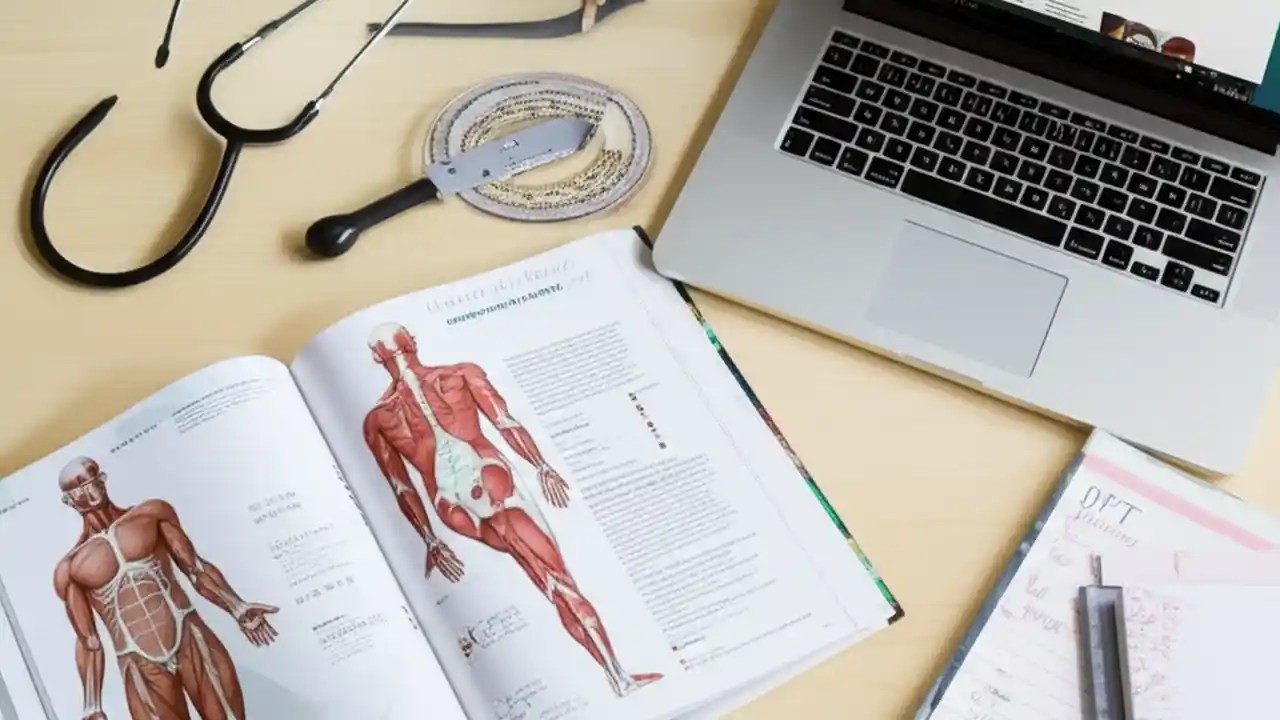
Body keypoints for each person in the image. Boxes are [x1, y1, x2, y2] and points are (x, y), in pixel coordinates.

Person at [361, 322, 662, 698]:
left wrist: (430, 540)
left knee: (541, 577)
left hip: (447, 503)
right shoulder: (460, 374)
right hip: (491, 475)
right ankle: (618, 677)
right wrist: (540, 465)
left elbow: (401, 486)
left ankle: (614, 675)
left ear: (377, 357)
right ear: (414, 342)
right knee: (556, 579)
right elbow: (504, 422)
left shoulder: (377, 419)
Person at [53, 457, 279, 720]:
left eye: (91, 480)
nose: (89, 490)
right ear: (68, 500)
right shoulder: (70, 568)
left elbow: (195, 568)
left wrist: (237, 607)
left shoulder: (151, 514)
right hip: (139, 664)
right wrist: (92, 706)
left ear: (102, 479)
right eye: (78, 487)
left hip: (190, 638)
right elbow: (88, 640)